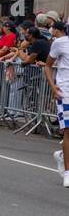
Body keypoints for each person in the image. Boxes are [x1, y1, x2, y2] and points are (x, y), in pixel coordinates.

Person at [44, 21, 69, 186]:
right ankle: (68, 172)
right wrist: (53, 86)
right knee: (68, 131)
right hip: (65, 92)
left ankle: (62, 155)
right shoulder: (60, 43)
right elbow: (47, 65)